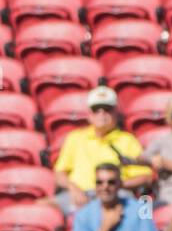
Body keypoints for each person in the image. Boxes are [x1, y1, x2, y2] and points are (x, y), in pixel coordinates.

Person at [53, 85, 152, 214]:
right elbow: (59, 174)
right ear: (89, 114)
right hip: (79, 194)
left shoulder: (127, 140)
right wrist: (73, 188)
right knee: (42, 208)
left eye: (107, 109)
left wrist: (114, 186)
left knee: (141, 210)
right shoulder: (75, 138)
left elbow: (145, 177)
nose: (102, 114)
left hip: (116, 195)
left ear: (115, 112)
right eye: (96, 109)